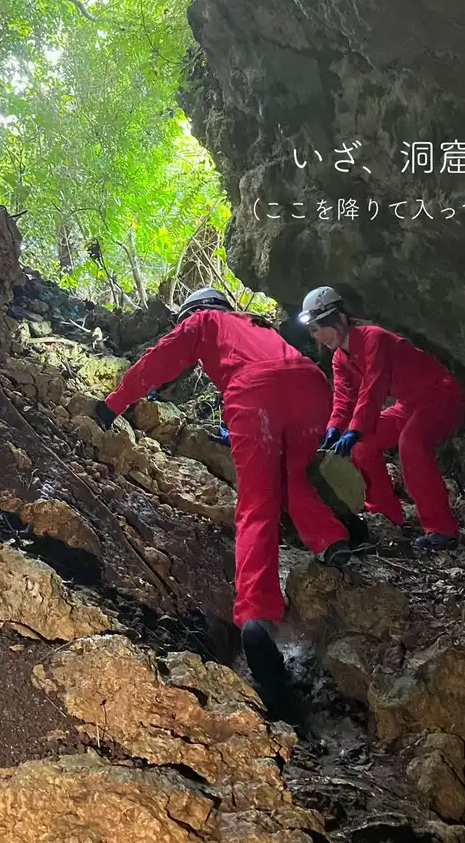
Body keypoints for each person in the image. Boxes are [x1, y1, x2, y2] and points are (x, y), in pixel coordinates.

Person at [94, 286, 358, 715]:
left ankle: (256, 615)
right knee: (288, 473)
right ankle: (333, 540)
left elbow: (164, 357)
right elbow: (277, 370)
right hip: (312, 388)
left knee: (257, 504)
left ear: (196, 311)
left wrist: (114, 404)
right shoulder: (257, 325)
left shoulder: (205, 321)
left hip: (256, 395)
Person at [298, 286, 465, 551]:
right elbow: (344, 399)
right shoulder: (340, 359)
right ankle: (386, 516)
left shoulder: (373, 338)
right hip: (410, 405)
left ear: (340, 318)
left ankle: (442, 530)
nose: (320, 334)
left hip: (441, 394)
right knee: (362, 447)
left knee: (411, 443)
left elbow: (373, 387)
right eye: (314, 330)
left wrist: (355, 428)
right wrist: (334, 430)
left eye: (323, 325)